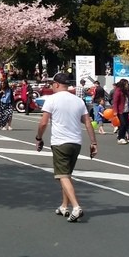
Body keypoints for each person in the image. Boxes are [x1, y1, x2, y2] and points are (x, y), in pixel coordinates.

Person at [35, 72, 98, 222]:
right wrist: (93, 142)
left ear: (56, 84)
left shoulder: (52, 100)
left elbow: (43, 123)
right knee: (67, 175)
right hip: (76, 142)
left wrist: (39, 138)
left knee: (62, 175)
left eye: (52, 84)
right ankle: (64, 206)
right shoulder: (78, 101)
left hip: (60, 142)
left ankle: (76, 207)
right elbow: (88, 122)